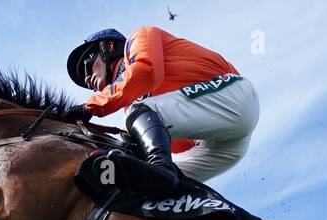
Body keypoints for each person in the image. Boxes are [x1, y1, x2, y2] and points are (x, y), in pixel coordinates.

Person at [63, 26, 259, 196]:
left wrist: (89, 107)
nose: (87, 79)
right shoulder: (143, 107)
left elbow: (145, 72)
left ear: (109, 47)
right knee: (146, 184)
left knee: (135, 119)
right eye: (84, 82)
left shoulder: (140, 36)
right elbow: (179, 145)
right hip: (227, 145)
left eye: (86, 66)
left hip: (234, 94)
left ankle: (161, 169)